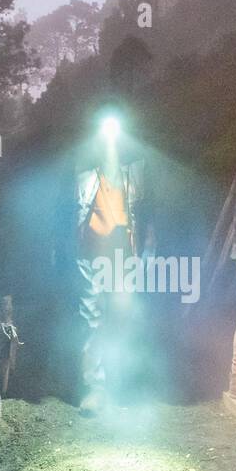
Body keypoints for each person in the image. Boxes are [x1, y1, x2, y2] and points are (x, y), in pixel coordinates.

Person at [72, 126, 153, 414]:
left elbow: (146, 214)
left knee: (122, 320)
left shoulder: (135, 175)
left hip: (122, 259)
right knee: (92, 323)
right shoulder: (84, 178)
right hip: (90, 258)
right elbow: (72, 217)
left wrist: (148, 252)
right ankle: (96, 388)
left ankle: (122, 384)